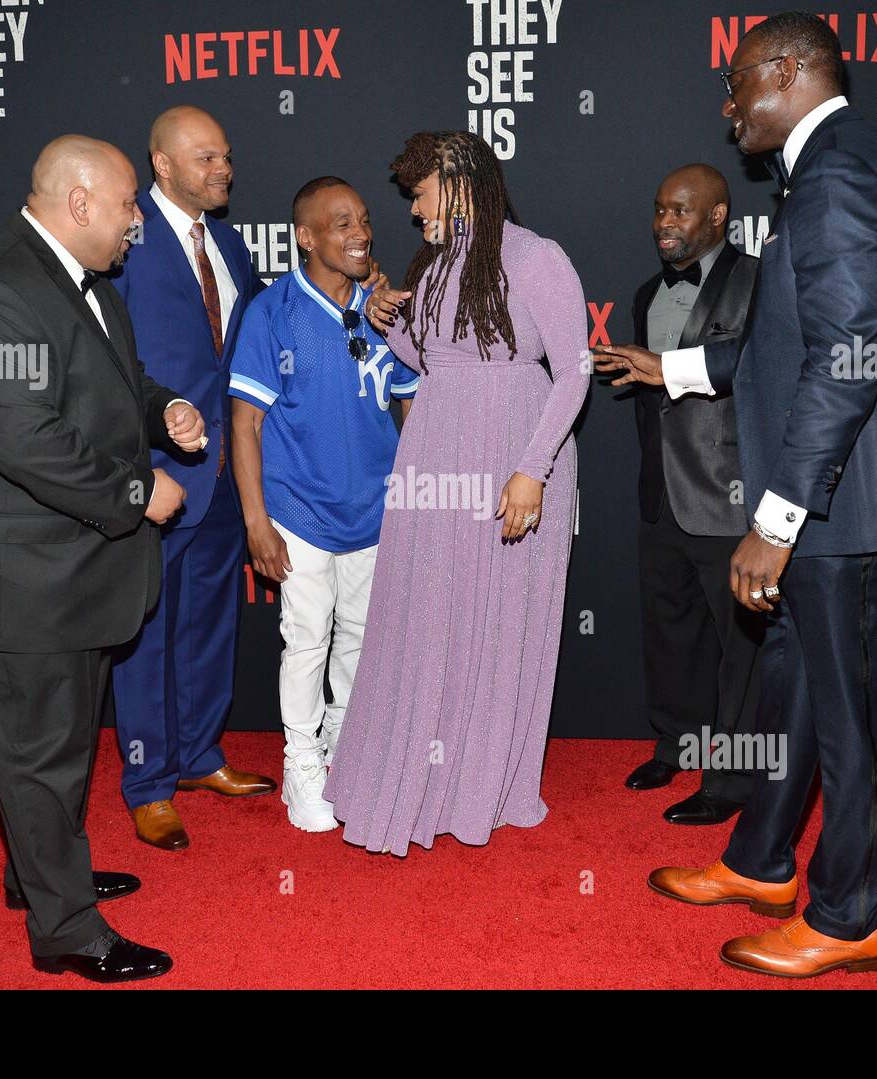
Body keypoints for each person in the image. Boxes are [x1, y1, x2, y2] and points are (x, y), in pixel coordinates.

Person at [598, 12, 877, 977]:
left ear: (787, 70)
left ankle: (849, 919)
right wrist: (668, 366)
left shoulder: (837, 173)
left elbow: (842, 366)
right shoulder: (836, 163)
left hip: (846, 507)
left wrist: (776, 518)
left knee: (851, 721)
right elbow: (779, 344)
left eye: (735, 85)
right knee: (798, 692)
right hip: (838, 499)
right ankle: (763, 861)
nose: (727, 111)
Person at [0, 135, 205, 982]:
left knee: (61, 745)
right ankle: (68, 929)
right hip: (14, 580)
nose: (136, 224)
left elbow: (112, 384)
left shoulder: (87, 285)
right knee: (39, 753)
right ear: (79, 203)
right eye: (126, 208)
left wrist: (165, 411)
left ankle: (40, 877)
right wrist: (136, 491)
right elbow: (28, 440)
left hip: (70, 573)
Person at [323, 130, 590, 856]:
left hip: (513, 455)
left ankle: (482, 789)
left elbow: (573, 371)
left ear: (460, 178)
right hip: (435, 455)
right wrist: (389, 320)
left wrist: (533, 468)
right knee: (427, 615)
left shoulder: (536, 257)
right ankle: (421, 782)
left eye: (419, 192)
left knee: (499, 622)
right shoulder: (436, 266)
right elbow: (429, 355)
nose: (412, 210)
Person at [228, 177, 419, 832]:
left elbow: (410, 404)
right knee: (306, 638)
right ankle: (301, 763)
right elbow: (245, 424)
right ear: (305, 237)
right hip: (298, 506)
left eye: (363, 219)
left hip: (375, 506)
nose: (360, 231)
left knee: (363, 636)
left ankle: (343, 745)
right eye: (340, 223)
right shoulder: (270, 313)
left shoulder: (384, 308)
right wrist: (257, 520)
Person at [109, 105, 275, 853]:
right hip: (155, 476)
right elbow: (106, 365)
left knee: (209, 622)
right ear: (162, 164)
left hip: (221, 476)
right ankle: (147, 782)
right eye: (206, 159)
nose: (225, 171)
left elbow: (245, 346)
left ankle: (201, 755)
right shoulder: (122, 240)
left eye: (227, 156)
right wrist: (138, 470)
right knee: (144, 632)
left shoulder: (231, 243)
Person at [609, 165, 763, 825]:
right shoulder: (646, 293)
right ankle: (676, 744)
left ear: (718, 215)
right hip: (661, 496)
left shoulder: (760, 281)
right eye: (659, 210)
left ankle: (732, 782)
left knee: (741, 650)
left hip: (729, 496)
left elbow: (759, 372)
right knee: (672, 634)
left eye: (680, 211)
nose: (664, 223)